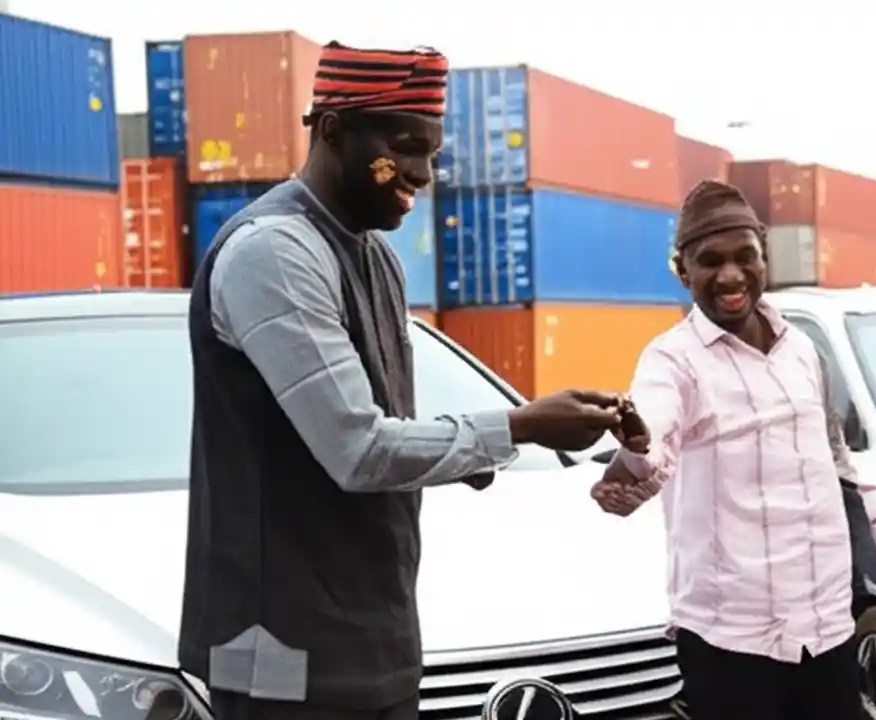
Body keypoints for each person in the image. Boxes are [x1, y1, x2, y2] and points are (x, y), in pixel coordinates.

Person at [179, 41, 626, 720]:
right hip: (281, 657)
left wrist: (505, 444)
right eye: (406, 145)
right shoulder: (273, 252)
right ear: (333, 130)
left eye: (433, 153)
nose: (422, 171)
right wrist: (522, 426)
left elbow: (396, 432)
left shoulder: (378, 258)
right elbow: (359, 449)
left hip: (373, 645)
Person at [590, 180, 876, 720]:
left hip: (827, 631)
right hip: (733, 644)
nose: (730, 276)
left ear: (764, 256)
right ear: (682, 270)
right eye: (710, 261)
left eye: (745, 257)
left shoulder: (801, 353)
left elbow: (843, 476)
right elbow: (652, 439)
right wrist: (636, 444)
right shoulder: (672, 362)